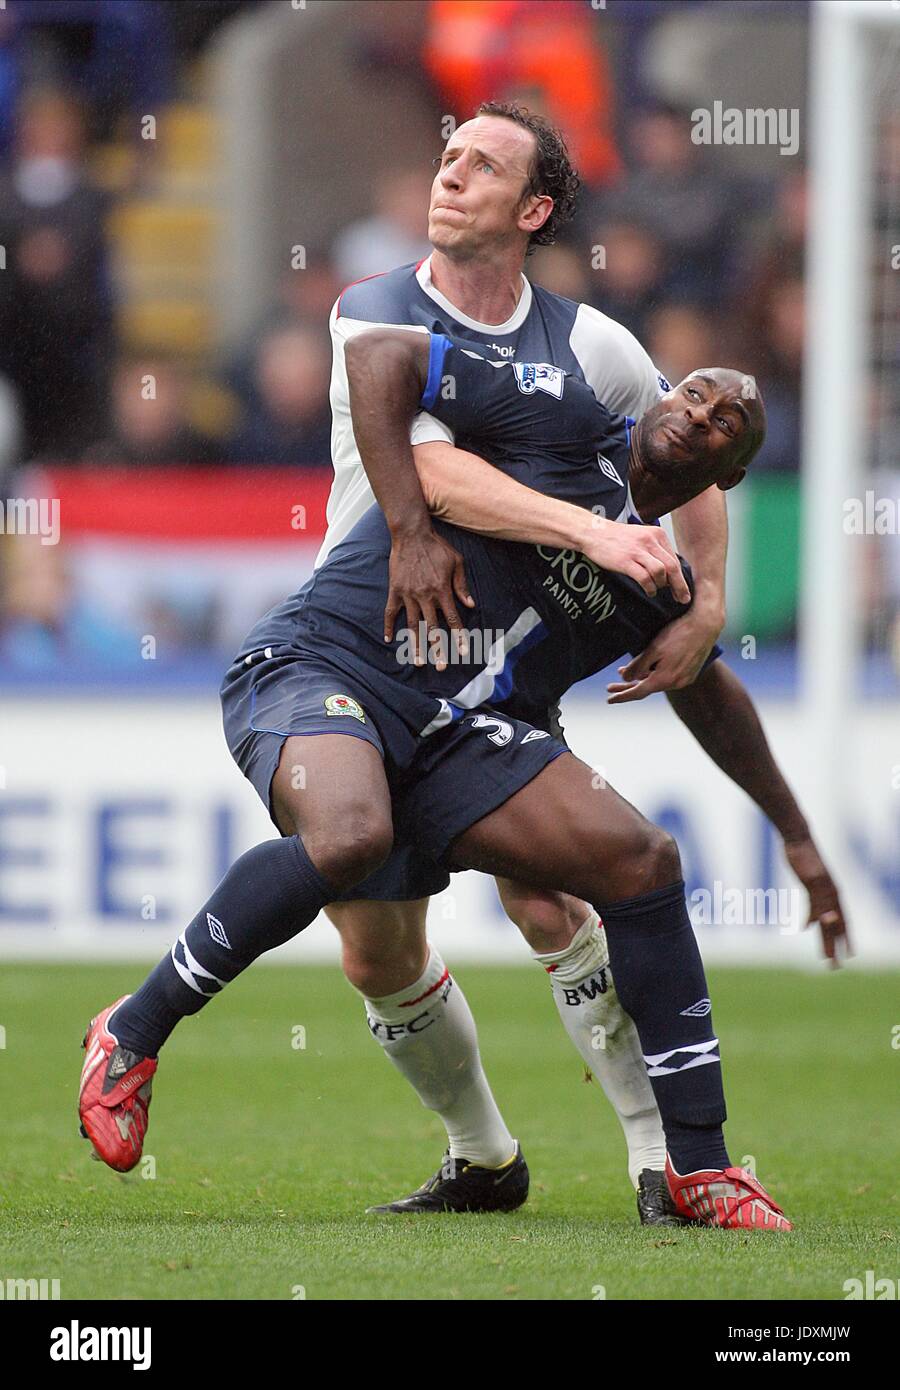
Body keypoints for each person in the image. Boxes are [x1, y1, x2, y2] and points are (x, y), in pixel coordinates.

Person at [78, 333, 848, 1229]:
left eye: (728, 425)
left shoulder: (655, 577)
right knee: (354, 849)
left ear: (733, 473)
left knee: (640, 860)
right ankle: (133, 1029)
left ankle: (696, 1167)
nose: (700, 417)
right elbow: (376, 360)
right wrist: (416, 510)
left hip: (458, 735)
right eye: (695, 395)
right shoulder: (551, 412)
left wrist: (795, 834)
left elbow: (712, 700)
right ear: (658, 394)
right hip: (325, 663)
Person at [306, 99, 731, 1221]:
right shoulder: (374, 314)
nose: (447, 173)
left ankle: (659, 1156)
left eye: (481, 162)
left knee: (553, 899)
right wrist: (594, 532)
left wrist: (707, 600)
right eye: (444, 154)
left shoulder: (594, 343)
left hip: (508, 660)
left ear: (534, 208)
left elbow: (689, 463)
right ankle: (482, 1155)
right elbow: (433, 482)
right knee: (375, 948)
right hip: (381, 648)